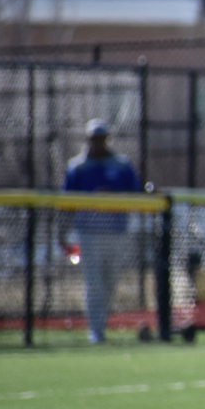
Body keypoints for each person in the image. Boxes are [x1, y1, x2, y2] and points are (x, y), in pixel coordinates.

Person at [62, 119, 141, 343]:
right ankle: (95, 331)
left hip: (116, 232)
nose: (98, 143)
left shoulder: (121, 165)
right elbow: (65, 202)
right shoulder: (77, 167)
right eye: (93, 139)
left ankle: (100, 325)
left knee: (110, 281)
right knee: (94, 282)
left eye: (101, 138)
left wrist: (114, 197)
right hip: (88, 233)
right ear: (88, 140)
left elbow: (136, 195)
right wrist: (62, 233)